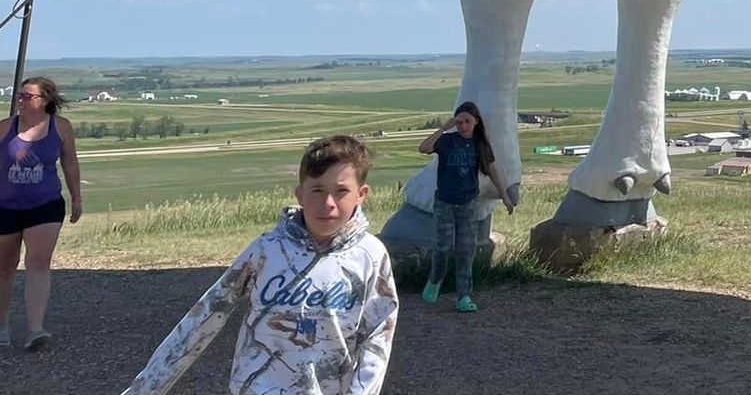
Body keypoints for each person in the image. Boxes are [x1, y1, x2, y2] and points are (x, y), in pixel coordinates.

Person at [121, 133, 397, 394]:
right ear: (300, 195)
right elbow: (203, 319)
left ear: (361, 194)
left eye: (341, 191)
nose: (328, 203)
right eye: (317, 190)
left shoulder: (370, 256)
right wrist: (146, 389)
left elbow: (377, 340)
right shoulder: (267, 251)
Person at [1, 75, 82, 352]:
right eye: (19, 96)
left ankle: (36, 329)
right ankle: (2, 326)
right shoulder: (4, 129)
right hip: (5, 206)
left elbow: (70, 162)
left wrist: (76, 197)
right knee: (4, 266)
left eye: (27, 96)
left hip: (44, 205)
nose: (20, 100)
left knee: (38, 262)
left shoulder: (60, 128)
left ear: (44, 100)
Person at [417, 101, 513, 312]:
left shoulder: (480, 144)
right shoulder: (448, 141)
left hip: (468, 203)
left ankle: (464, 296)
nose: (462, 126)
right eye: (459, 122)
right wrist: (444, 128)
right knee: (442, 247)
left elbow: (493, 170)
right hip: (444, 202)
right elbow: (423, 148)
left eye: (467, 121)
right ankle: (435, 280)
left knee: (465, 251)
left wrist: (504, 196)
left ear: (476, 122)